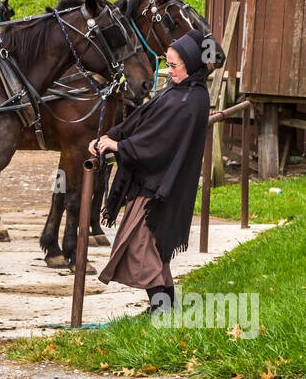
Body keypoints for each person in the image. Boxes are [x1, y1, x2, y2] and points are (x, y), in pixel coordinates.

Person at [88, 27, 218, 314]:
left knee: (141, 248)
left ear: (193, 63)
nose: (169, 70)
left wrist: (120, 147)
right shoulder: (178, 90)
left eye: (174, 65)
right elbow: (143, 120)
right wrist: (110, 137)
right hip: (152, 182)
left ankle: (161, 309)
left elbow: (159, 141)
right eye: (168, 64)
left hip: (161, 187)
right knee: (153, 250)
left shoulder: (191, 100)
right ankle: (167, 305)